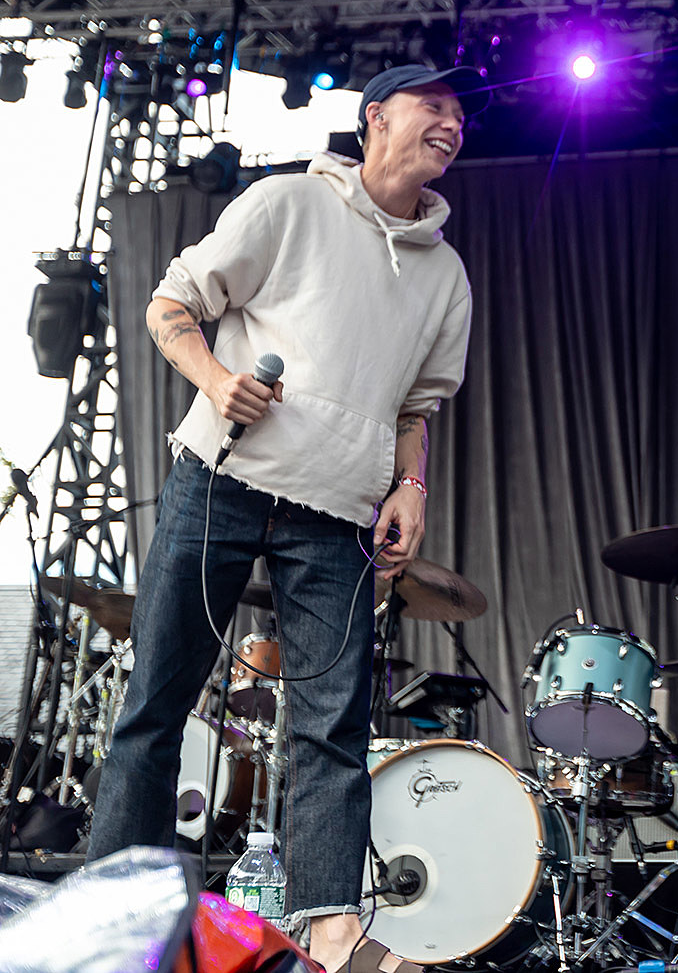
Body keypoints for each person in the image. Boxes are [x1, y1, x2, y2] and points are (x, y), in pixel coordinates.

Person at [87, 64, 484, 973]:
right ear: (375, 116)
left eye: (461, 115)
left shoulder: (446, 273)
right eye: (434, 106)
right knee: (156, 702)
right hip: (222, 479)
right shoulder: (288, 203)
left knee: (330, 726)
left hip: (337, 512)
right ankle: (113, 915)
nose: (453, 123)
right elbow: (171, 304)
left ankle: (331, 927)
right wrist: (216, 380)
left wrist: (410, 487)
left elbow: (416, 407)